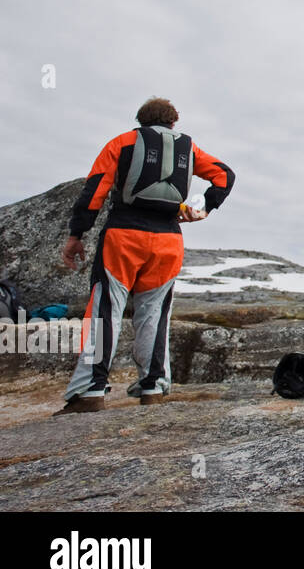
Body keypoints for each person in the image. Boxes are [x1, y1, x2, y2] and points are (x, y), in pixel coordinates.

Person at [56, 97, 234, 414]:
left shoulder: (122, 143)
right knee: (154, 314)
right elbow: (224, 176)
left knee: (106, 310)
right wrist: (205, 207)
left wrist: (76, 235)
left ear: (140, 120)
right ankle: (153, 385)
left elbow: (95, 191)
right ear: (173, 123)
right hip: (167, 241)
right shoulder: (190, 150)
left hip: (123, 237)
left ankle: (91, 389)